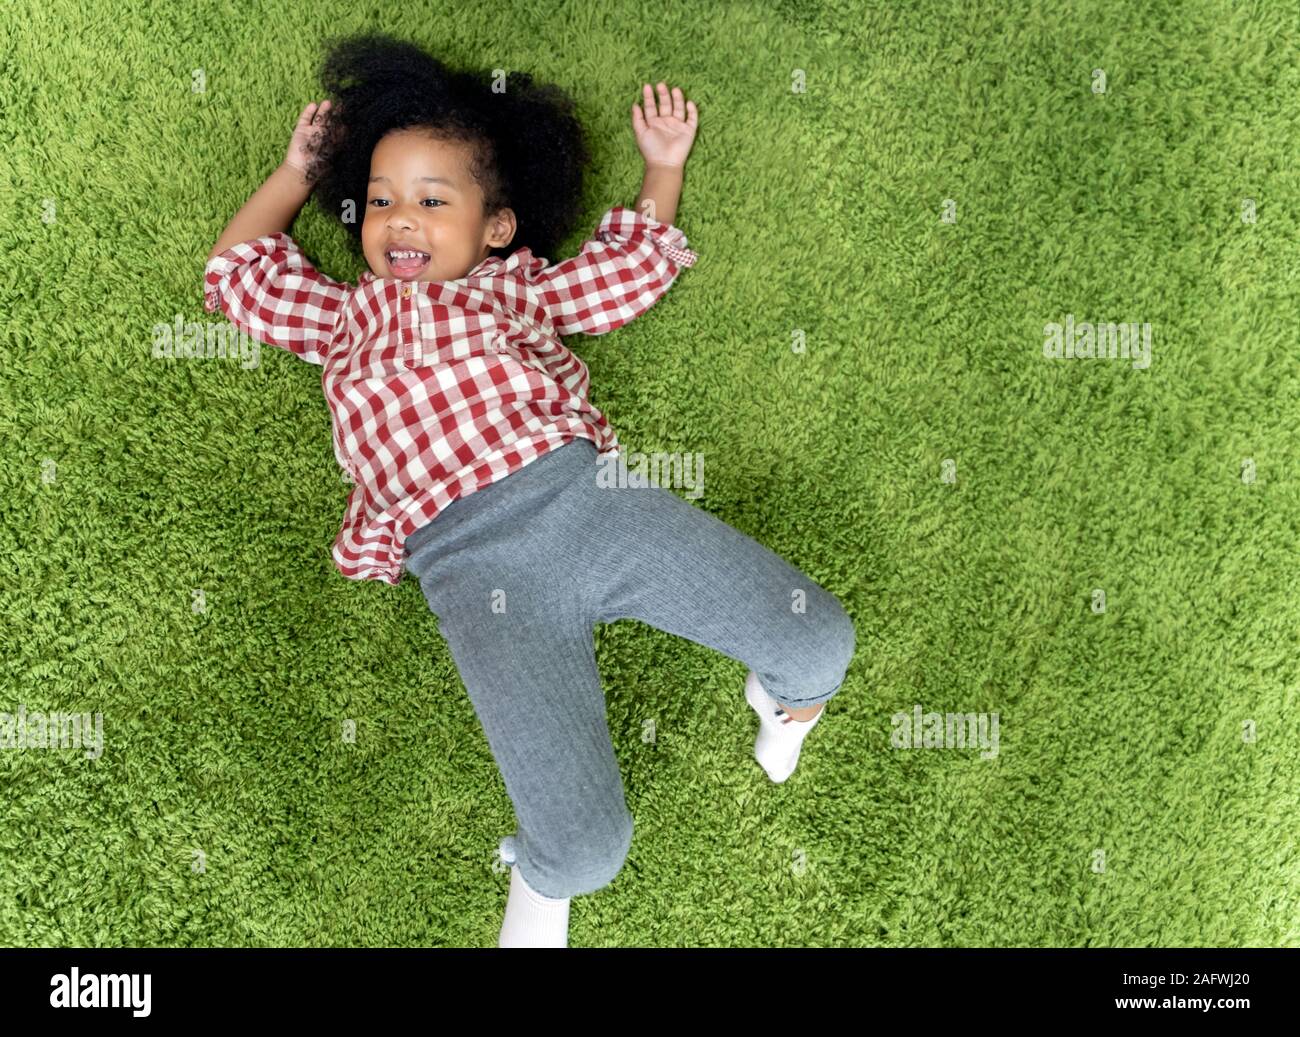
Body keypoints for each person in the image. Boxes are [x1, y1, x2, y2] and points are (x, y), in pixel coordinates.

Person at [203, 32, 855, 948]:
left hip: (590, 501)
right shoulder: (343, 315)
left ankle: (780, 705)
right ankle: (541, 895)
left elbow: (629, 274)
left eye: (434, 200)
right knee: (586, 852)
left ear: (496, 229)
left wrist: (662, 167)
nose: (401, 219)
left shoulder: (519, 292)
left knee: (821, 642)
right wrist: (293, 176)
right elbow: (235, 274)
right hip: (467, 563)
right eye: (382, 200)